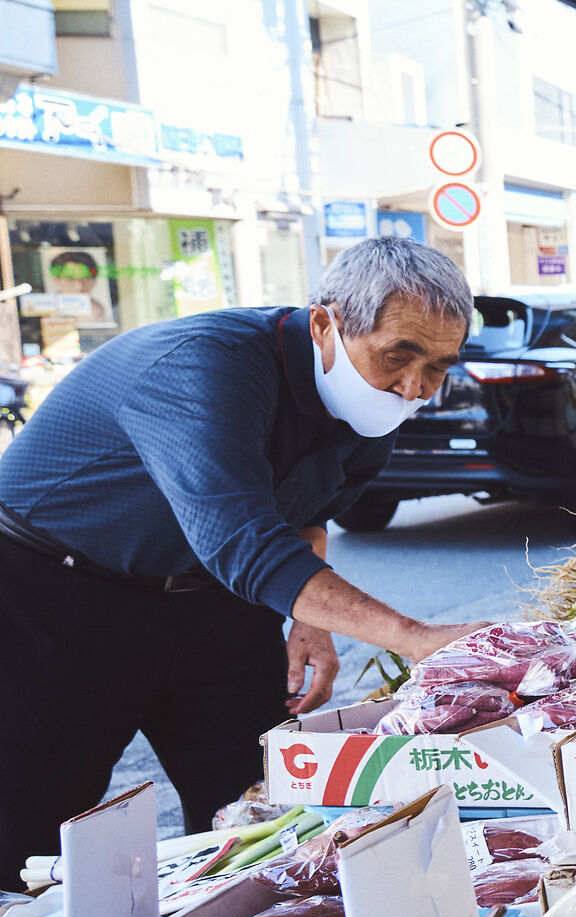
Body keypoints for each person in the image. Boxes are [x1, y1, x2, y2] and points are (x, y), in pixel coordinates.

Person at [0, 237, 489, 877]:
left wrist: (312, 619)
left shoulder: (374, 408)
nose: (415, 388)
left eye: (439, 366)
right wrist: (416, 638)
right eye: (399, 356)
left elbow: (309, 512)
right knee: (30, 824)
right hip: (56, 594)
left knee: (260, 813)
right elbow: (245, 540)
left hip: (212, 600)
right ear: (325, 324)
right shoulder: (205, 367)